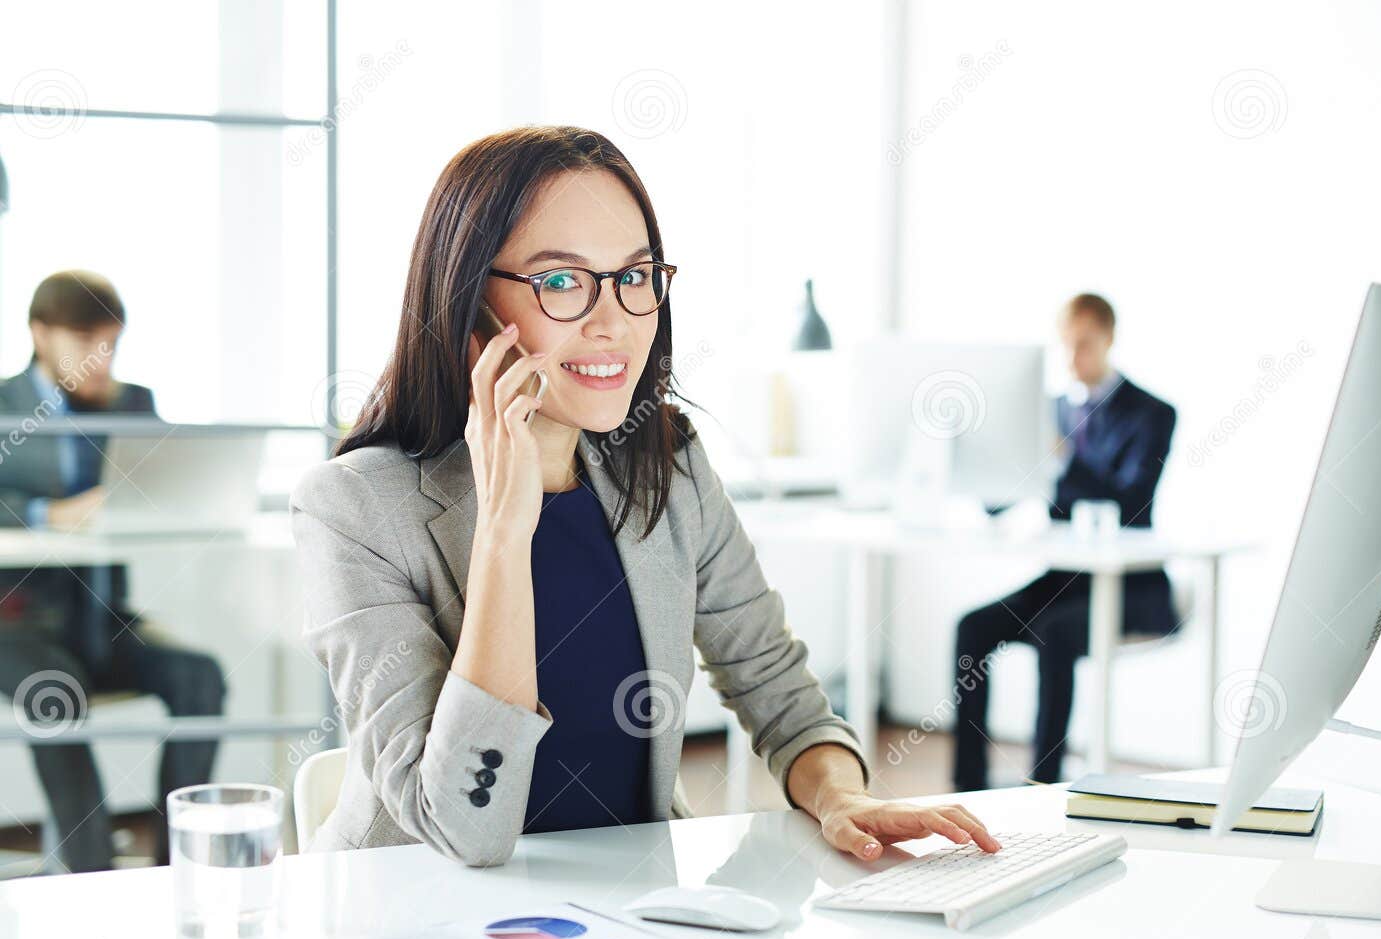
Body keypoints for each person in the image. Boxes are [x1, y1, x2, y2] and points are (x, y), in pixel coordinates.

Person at [292, 125, 999, 867]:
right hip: (420, 915)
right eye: (561, 282)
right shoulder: (353, 510)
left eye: (634, 277)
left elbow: (777, 688)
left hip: (634, 907)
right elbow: (466, 832)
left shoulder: (667, 464)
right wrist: (504, 528)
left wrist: (839, 794)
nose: (614, 323)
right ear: (470, 307)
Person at [0, 272, 227, 872]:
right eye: (86, 342)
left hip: (104, 619)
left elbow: (168, 489)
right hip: (16, 627)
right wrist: (49, 514)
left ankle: (174, 869)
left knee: (201, 678)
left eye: (111, 344)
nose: (102, 360)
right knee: (57, 690)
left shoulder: (133, 406)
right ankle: (92, 877)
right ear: (40, 334)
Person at [951, 293, 1177, 790]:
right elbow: (999, 502)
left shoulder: (1153, 414)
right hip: (1065, 581)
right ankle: (967, 786)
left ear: (1109, 339)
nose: (1073, 358)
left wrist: (1063, 458)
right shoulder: (1049, 411)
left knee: (1055, 632)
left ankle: (1043, 786)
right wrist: (983, 455)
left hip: (1133, 586)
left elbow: (1132, 502)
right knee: (973, 628)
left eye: (1085, 344)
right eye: (1066, 345)